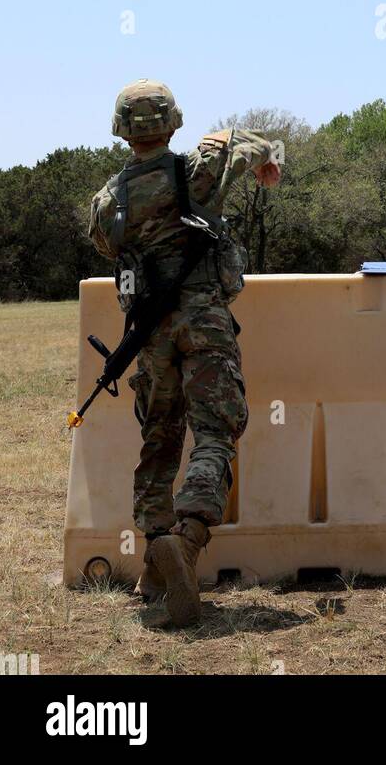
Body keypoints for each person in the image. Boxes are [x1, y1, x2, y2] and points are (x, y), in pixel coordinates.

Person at [87, 79, 281, 626]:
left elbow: (109, 246)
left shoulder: (108, 202)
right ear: (172, 123)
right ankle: (187, 543)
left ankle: (154, 565)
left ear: (122, 131)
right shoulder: (196, 172)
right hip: (204, 323)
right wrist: (235, 143)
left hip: (147, 334)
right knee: (216, 433)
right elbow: (252, 143)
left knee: (159, 440)